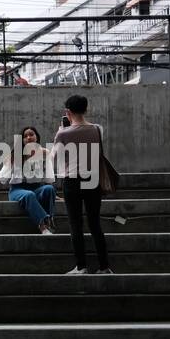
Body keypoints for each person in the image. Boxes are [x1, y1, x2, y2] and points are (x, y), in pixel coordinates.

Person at [52, 95, 112, 274]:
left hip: (72, 180)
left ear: (67, 112)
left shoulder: (64, 133)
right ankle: (104, 266)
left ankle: (81, 266)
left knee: (75, 224)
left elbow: (54, 157)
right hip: (92, 179)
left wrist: (59, 132)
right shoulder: (96, 129)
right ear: (86, 109)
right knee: (95, 223)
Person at [0, 125, 57, 235]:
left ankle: (50, 219)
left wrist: (53, 194)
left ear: (36, 137)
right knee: (29, 195)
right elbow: (4, 173)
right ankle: (43, 226)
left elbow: (49, 176)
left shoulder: (44, 153)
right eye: (25, 136)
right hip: (17, 190)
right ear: (22, 140)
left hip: (37, 188)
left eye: (31, 134)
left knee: (49, 188)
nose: (28, 137)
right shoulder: (15, 155)